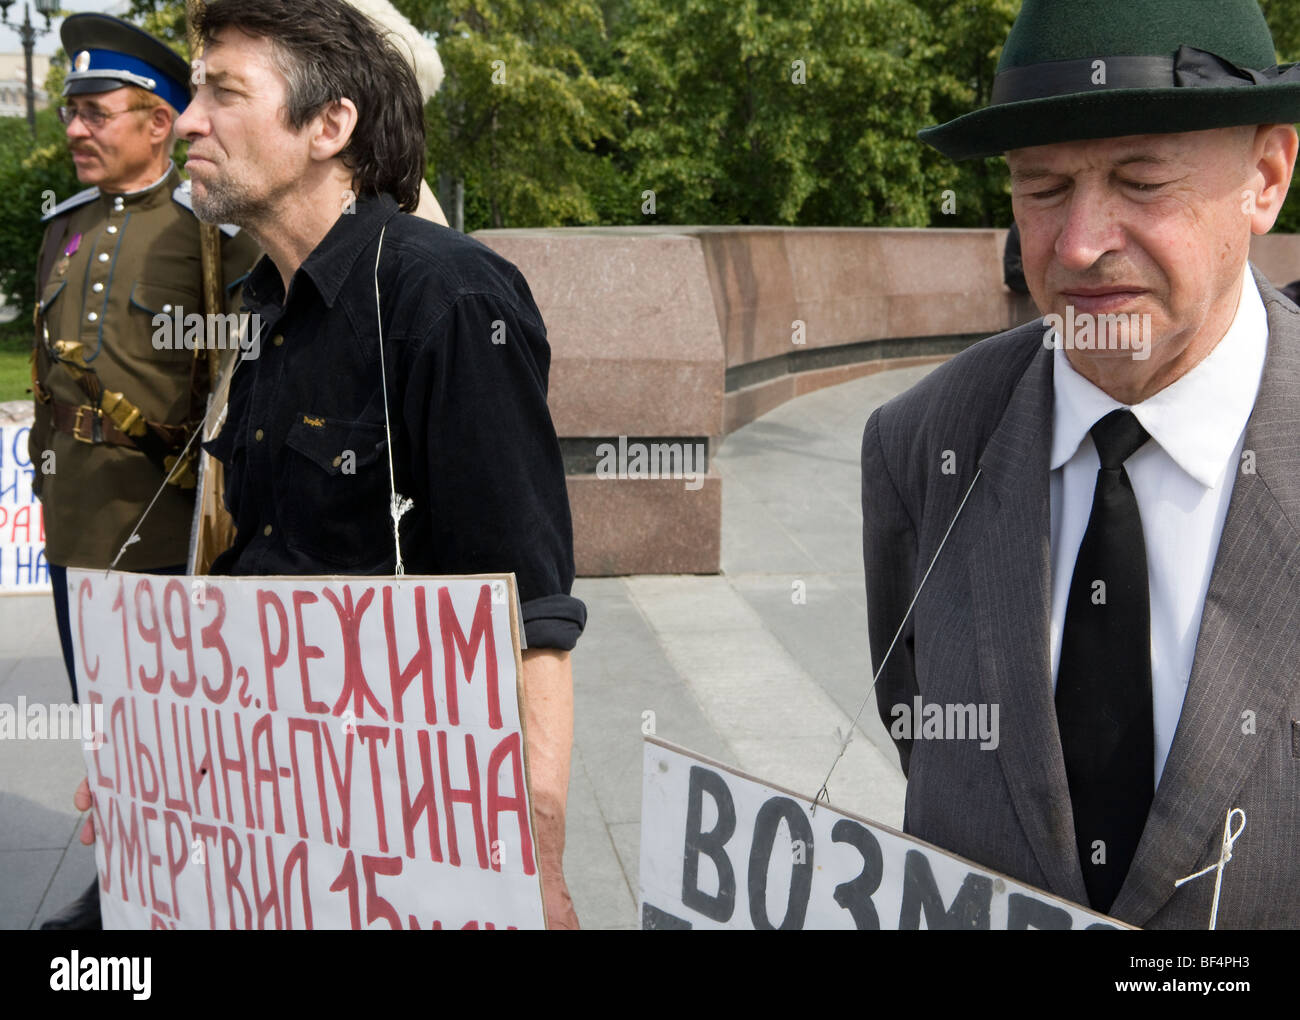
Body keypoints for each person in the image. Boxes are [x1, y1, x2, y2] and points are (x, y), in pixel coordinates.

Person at [120, 0, 581, 929]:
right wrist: (159, 770)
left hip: (403, 833)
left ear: (331, 126)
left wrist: (534, 855)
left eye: (223, 92)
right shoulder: (263, 305)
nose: (189, 119)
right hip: (264, 813)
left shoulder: (449, 297)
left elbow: (526, 614)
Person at [861, 0, 1300, 929]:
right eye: (1043, 188)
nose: (1079, 246)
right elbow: (922, 732)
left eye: (1141, 181)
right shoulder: (919, 445)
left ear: (1267, 178)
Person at [33, 13, 259, 930]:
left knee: (183, 734)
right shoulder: (66, 228)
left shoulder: (213, 228)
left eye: (96, 112)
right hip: (74, 529)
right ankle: (129, 884)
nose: (77, 129)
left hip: (168, 534)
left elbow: (245, 373)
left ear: (159, 123)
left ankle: (193, 885)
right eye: (71, 112)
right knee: (109, 727)